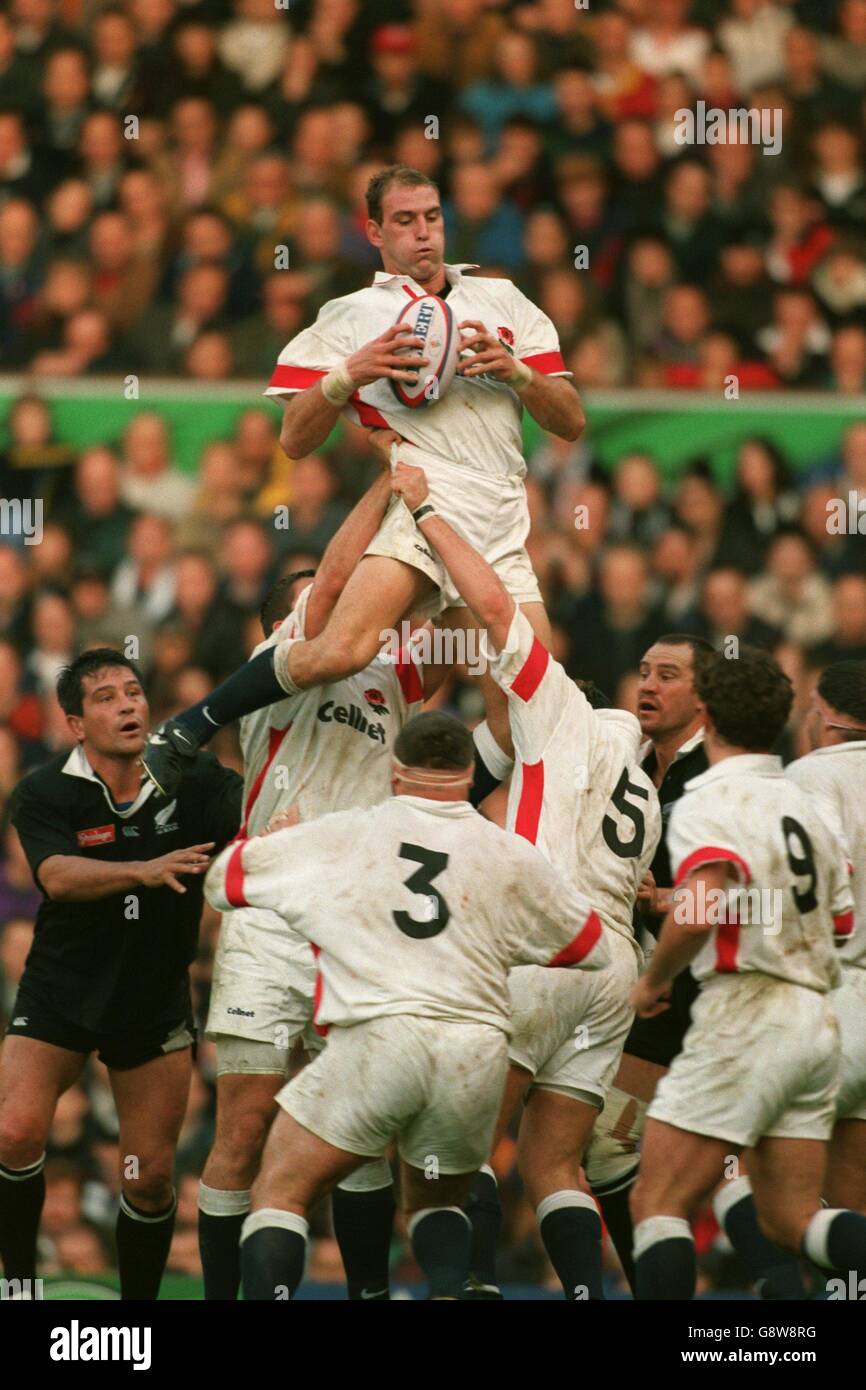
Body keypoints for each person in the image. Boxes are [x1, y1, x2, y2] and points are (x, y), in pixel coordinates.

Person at [139, 162, 583, 798]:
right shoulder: (353, 314)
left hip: (503, 518)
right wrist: (349, 373)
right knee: (344, 648)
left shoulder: (505, 301)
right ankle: (186, 727)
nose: (424, 234)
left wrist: (518, 374)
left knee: (528, 718)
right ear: (374, 232)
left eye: (432, 218)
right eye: (405, 221)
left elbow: (569, 421)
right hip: (428, 498)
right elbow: (294, 438)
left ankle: (412, 815)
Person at [203, 710, 610, 1301]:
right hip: (475, 1053)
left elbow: (225, 883)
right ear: (470, 776)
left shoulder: (350, 832)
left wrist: (274, 843)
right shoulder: (508, 853)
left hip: (384, 1036)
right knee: (435, 1197)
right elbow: (589, 947)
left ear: (395, 774)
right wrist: (501, 941)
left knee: (282, 1187)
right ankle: (450, 1289)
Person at [388, 459, 661, 1300]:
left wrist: (432, 511)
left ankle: (463, 1289)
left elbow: (503, 615)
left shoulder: (564, 718)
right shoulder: (643, 789)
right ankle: (585, 1295)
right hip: (613, 971)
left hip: (548, 948)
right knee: (553, 1161)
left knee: (438, 1159)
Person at [198, 469, 449, 1302]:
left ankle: (368, 1297)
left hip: (359, 925)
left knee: (362, 1134)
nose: (352, 608)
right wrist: (388, 488)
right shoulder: (281, 657)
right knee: (243, 1127)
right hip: (271, 918)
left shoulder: (386, 674)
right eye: (320, 599)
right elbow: (338, 585)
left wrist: (451, 506)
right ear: (280, 622)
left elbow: (446, 628)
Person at [0, 648, 241, 1298]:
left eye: (133, 691)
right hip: (60, 993)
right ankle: (18, 1285)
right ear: (76, 723)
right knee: (14, 1131)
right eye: (105, 697)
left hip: (152, 1000)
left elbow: (257, 822)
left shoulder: (196, 782)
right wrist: (144, 869)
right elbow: (57, 877)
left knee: (148, 1177)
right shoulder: (44, 791)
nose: (128, 704)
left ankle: (137, 1317)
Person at [629, 646, 866, 1299]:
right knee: (791, 1220)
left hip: (747, 1013)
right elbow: (841, 923)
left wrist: (653, 980)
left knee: (657, 1200)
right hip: (817, 1022)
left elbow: (701, 905)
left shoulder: (714, 798)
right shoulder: (803, 804)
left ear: (703, 715)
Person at [585, 634, 809, 1298]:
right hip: (668, 985)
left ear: (706, 700)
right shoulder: (625, 766)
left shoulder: (716, 779)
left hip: (697, 988)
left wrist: (670, 906)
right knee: (704, 1163)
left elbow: (746, 895)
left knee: (633, 1157)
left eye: (670, 675)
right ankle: (781, 1287)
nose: (648, 685)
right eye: (645, 672)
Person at [786, 661, 866, 1213]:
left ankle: (780, 1283)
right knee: (851, 1179)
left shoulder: (813, 776)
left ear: (828, 714)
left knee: (743, 1154)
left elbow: (825, 876)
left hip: (838, 996)